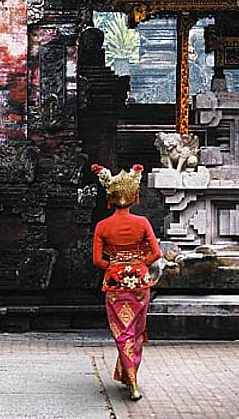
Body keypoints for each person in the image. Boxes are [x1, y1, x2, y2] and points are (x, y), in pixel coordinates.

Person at [91, 162, 160, 400]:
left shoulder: (102, 226)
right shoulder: (142, 223)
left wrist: (115, 264)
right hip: (140, 282)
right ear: (134, 197)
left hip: (115, 282)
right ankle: (132, 379)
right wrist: (139, 262)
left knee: (122, 331)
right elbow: (156, 253)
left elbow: (98, 260)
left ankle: (130, 379)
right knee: (137, 330)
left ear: (110, 199)